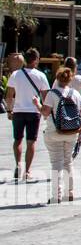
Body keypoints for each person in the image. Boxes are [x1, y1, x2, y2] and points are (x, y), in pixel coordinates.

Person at [40, 66, 81, 204]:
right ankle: (70, 192)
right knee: (68, 161)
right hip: (72, 133)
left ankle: (56, 195)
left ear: (57, 78)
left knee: (56, 163)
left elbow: (45, 113)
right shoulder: (75, 94)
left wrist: (37, 104)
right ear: (70, 79)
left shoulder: (52, 94)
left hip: (54, 132)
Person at [7, 47, 50, 183]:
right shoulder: (41, 76)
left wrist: (9, 110)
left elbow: (9, 95)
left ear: (25, 59)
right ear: (37, 60)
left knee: (17, 139)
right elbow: (45, 97)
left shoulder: (15, 75)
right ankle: (27, 171)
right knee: (31, 141)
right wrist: (45, 111)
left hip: (18, 111)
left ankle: (18, 164)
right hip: (34, 112)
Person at [62, 57, 81, 159]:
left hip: (63, 110)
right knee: (78, 134)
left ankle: (65, 155)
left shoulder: (59, 79)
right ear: (76, 67)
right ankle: (72, 155)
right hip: (78, 110)